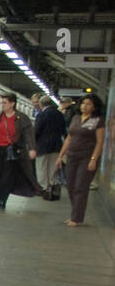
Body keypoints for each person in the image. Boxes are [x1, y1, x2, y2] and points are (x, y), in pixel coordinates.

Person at [0, 94, 41, 209]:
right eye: (2, 103)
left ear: (12, 104)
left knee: (7, 176)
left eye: (5, 103)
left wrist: (32, 148)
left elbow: (29, 134)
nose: (2, 105)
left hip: (11, 151)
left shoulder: (21, 118)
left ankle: (2, 199)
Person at [55, 93, 106, 226]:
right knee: (70, 185)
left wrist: (94, 159)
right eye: (83, 103)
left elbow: (100, 142)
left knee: (80, 187)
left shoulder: (98, 120)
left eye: (88, 104)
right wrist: (60, 156)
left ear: (94, 107)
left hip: (87, 157)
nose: (85, 106)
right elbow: (69, 138)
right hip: (72, 155)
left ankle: (76, 217)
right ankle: (75, 213)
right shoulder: (76, 118)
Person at [33, 97, 65, 190]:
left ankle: (43, 188)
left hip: (42, 146)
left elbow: (37, 130)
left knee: (41, 167)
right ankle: (52, 186)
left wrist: (32, 143)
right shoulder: (60, 114)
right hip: (56, 145)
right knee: (52, 168)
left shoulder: (41, 114)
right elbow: (63, 130)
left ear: (41, 104)